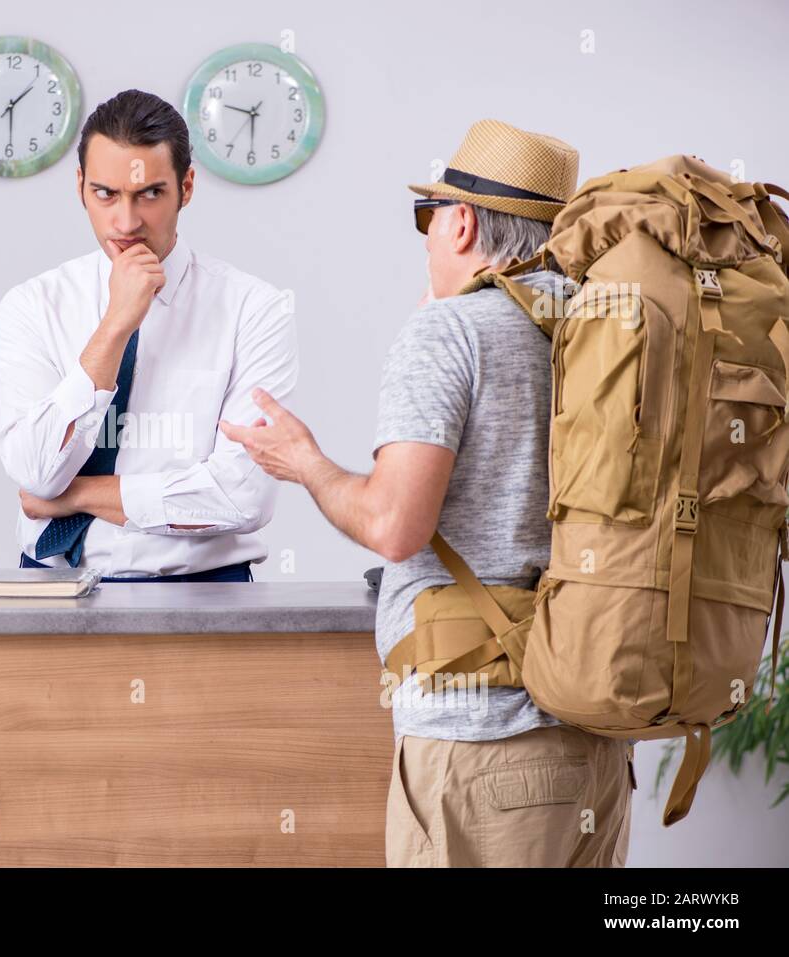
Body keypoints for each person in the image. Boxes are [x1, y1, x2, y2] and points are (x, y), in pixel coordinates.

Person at [221, 119, 634, 866]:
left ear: (466, 222)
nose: (426, 237)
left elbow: (394, 525)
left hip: (480, 746)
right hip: (595, 746)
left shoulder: (451, 332)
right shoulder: (602, 331)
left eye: (430, 217)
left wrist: (304, 460)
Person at [0, 89, 299, 581]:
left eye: (150, 194)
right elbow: (35, 470)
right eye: (106, 194)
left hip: (204, 594)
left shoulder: (253, 309)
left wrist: (74, 496)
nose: (126, 222)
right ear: (80, 188)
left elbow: (244, 496)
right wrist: (116, 324)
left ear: (187, 187)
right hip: (49, 589)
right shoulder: (32, 305)